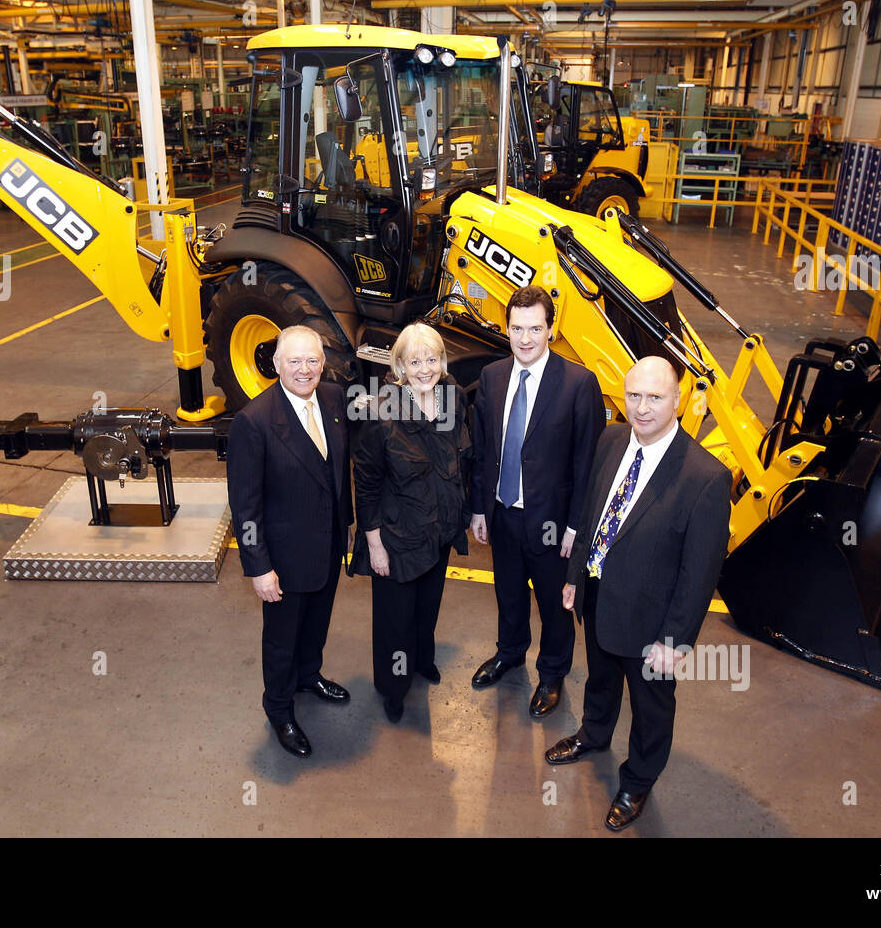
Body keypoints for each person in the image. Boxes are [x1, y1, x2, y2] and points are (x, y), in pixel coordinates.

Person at [544, 356, 731, 832]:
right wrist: (573, 576)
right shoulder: (612, 440)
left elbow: (699, 573)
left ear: (679, 400)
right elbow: (591, 514)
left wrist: (676, 640)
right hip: (599, 594)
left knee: (651, 707)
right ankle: (595, 733)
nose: (642, 408)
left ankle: (637, 780)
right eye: (633, 396)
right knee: (600, 677)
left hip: (653, 624)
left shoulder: (705, 478)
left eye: (655, 397)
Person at [469, 285, 605, 717]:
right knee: (507, 593)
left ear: (551, 329)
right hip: (503, 513)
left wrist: (574, 529)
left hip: (551, 523)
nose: (525, 339)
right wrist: (478, 507)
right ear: (506, 328)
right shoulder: (492, 377)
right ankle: (509, 653)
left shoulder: (579, 384)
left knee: (554, 605)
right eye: (516, 329)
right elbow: (482, 450)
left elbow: (588, 465)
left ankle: (551, 675)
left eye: (534, 329)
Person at [226, 325, 354, 759]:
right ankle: (279, 708)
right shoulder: (254, 422)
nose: (305, 369)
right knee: (281, 639)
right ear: (276, 364)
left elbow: (338, 472)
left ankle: (309, 675)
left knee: (316, 624)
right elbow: (245, 505)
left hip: (328, 545)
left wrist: (347, 528)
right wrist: (259, 566)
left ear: (323, 363)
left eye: (312, 360)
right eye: (294, 361)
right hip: (283, 558)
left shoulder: (334, 399)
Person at [349, 324, 471, 723]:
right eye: (415, 361)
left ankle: (421, 662)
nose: (424, 369)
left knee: (427, 607)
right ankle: (393, 686)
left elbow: (460, 458)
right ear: (399, 364)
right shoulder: (381, 412)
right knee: (394, 620)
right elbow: (366, 484)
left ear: (442, 361)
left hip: (437, 530)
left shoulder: (452, 396)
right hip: (397, 536)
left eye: (431, 359)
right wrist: (376, 545)